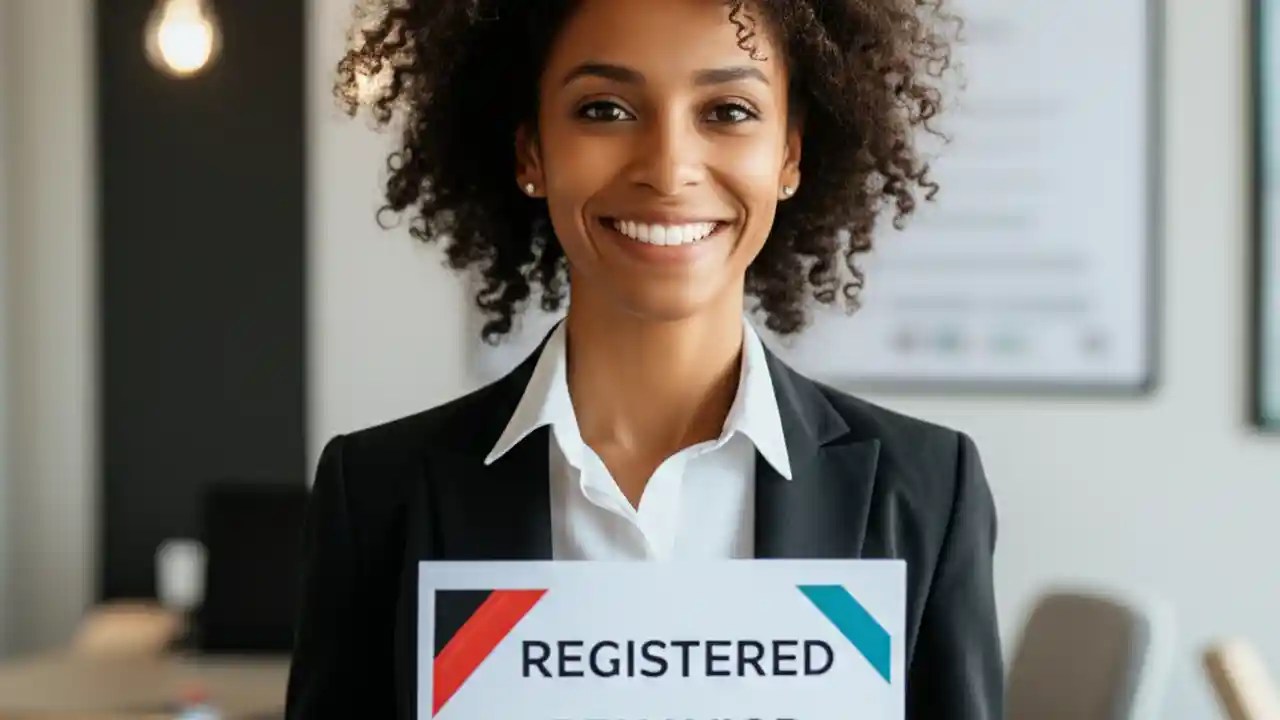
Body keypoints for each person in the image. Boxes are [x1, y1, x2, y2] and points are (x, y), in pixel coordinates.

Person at [286, 0, 1001, 717]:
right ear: (532, 150)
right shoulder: (377, 497)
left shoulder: (926, 495)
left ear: (790, 152)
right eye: (603, 110)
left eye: (727, 111)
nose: (668, 169)